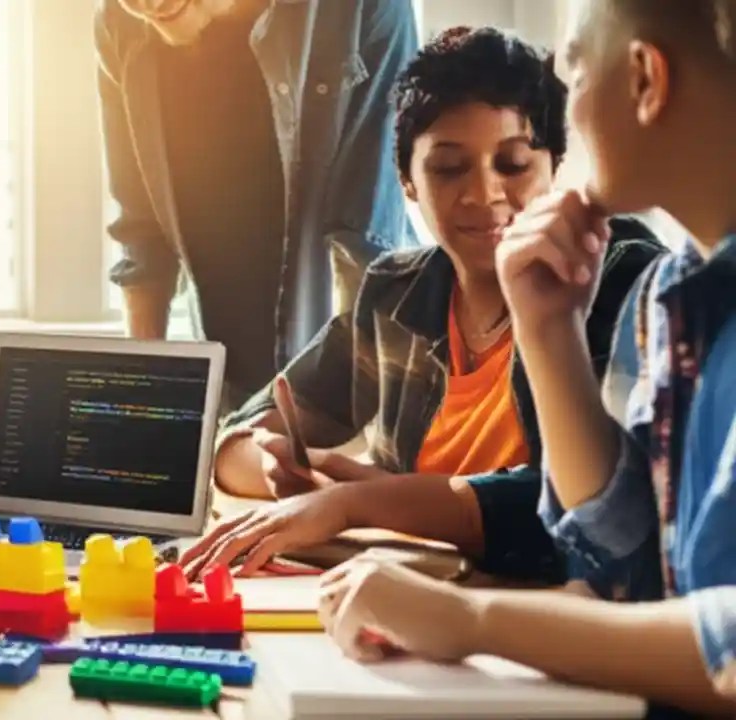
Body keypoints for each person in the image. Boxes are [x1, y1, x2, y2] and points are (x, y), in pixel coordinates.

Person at [310, 1, 736, 715]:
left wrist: (469, 621)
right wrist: (548, 330)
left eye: (573, 59)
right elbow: (620, 575)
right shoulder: (673, 296)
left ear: (645, 79)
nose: (560, 99)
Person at [182, 27, 664, 584]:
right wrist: (280, 468)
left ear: (554, 166)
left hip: (555, 613)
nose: (484, 195)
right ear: (407, 182)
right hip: (411, 606)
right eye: (448, 168)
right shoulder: (396, 294)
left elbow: (596, 508)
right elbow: (230, 440)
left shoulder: (621, 279)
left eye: (513, 164)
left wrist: (362, 501)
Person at [98, 0, 418, 403]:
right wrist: (140, 394)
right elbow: (140, 232)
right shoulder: (118, 22)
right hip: (224, 378)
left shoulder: (365, 8)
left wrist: (337, 418)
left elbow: (366, 240)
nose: (146, 5)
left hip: (350, 371)